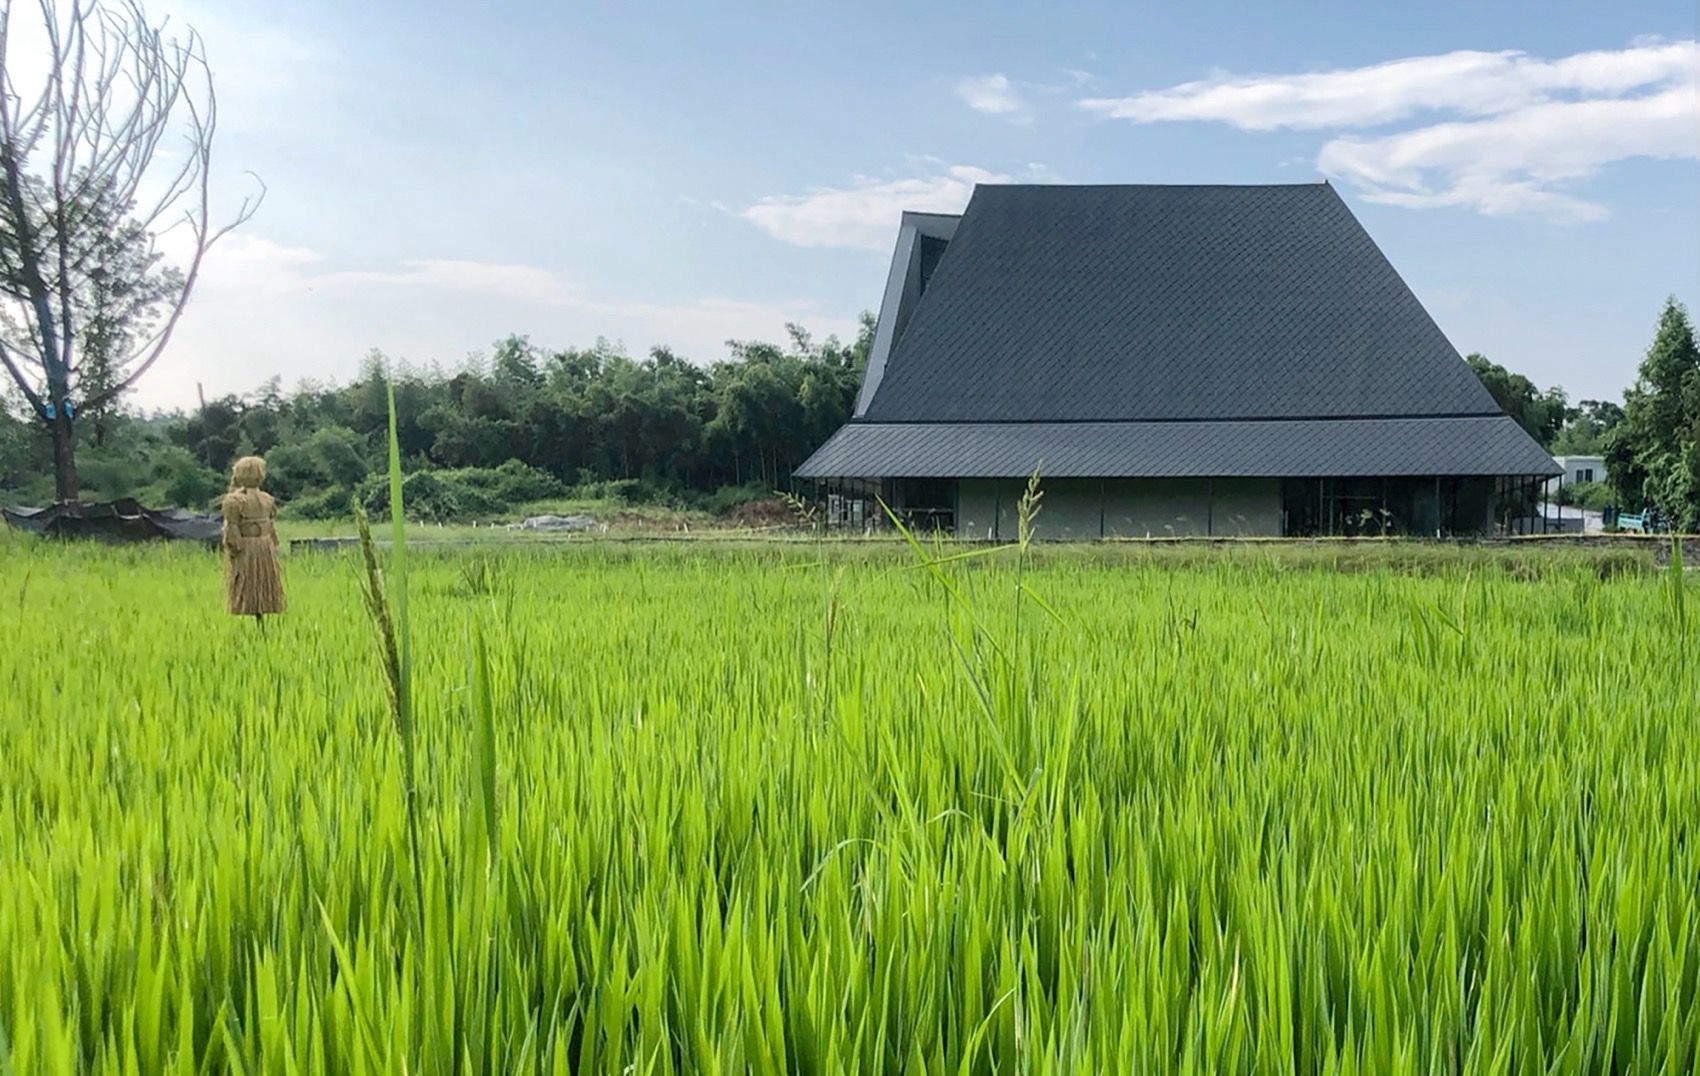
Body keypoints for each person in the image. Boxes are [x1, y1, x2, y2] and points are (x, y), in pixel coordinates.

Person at [222, 455, 286, 625]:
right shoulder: (267, 499)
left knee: (247, 584)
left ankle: (253, 613)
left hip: (246, 548)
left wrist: (233, 550)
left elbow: (231, 532)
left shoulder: (234, 501)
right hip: (265, 546)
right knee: (263, 585)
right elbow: (271, 529)